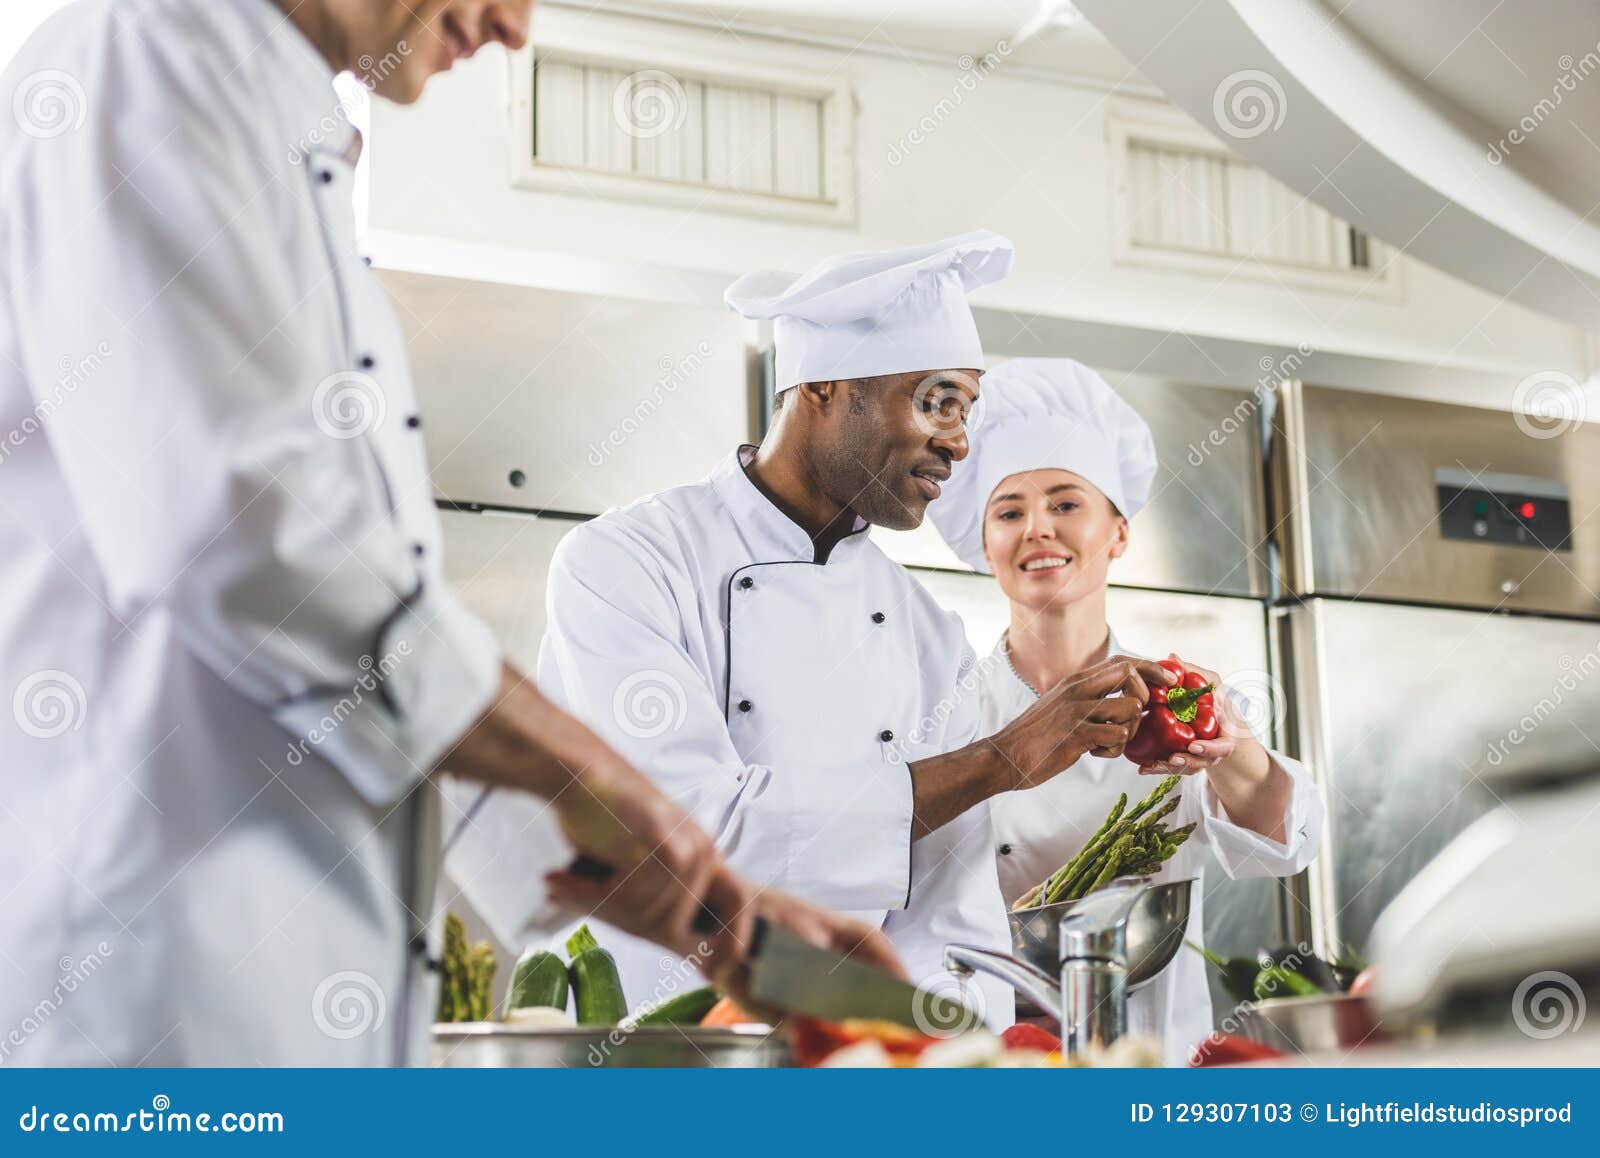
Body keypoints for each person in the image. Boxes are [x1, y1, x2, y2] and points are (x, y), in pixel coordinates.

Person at [0, 0, 893, 1066]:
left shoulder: (290, 144)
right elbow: (244, 539)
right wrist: (590, 772)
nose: (516, 27)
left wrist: (713, 914)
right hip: (145, 1003)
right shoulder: (147, 51)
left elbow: (359, 670)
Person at [454, 234, 1174, 1027]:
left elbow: (949, 912)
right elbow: (700, 838)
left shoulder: (927, 629)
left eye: (966, 410)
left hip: (844, 1062)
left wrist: (965, 1062)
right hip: (657, 1047)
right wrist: (1000, 759)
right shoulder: (628, 562)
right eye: (936, 400)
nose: (959, 441)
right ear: (824, 385)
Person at [926, 357, 1325, 1062]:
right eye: (1009, 511)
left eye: (1066, 503)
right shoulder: (942, 709)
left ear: (1117, 533)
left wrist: (1229, 748)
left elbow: (1287, 841)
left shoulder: (1177, 696)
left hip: (1150, 1061)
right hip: (988, 1060)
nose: (1038, 529)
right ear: (983, 547)